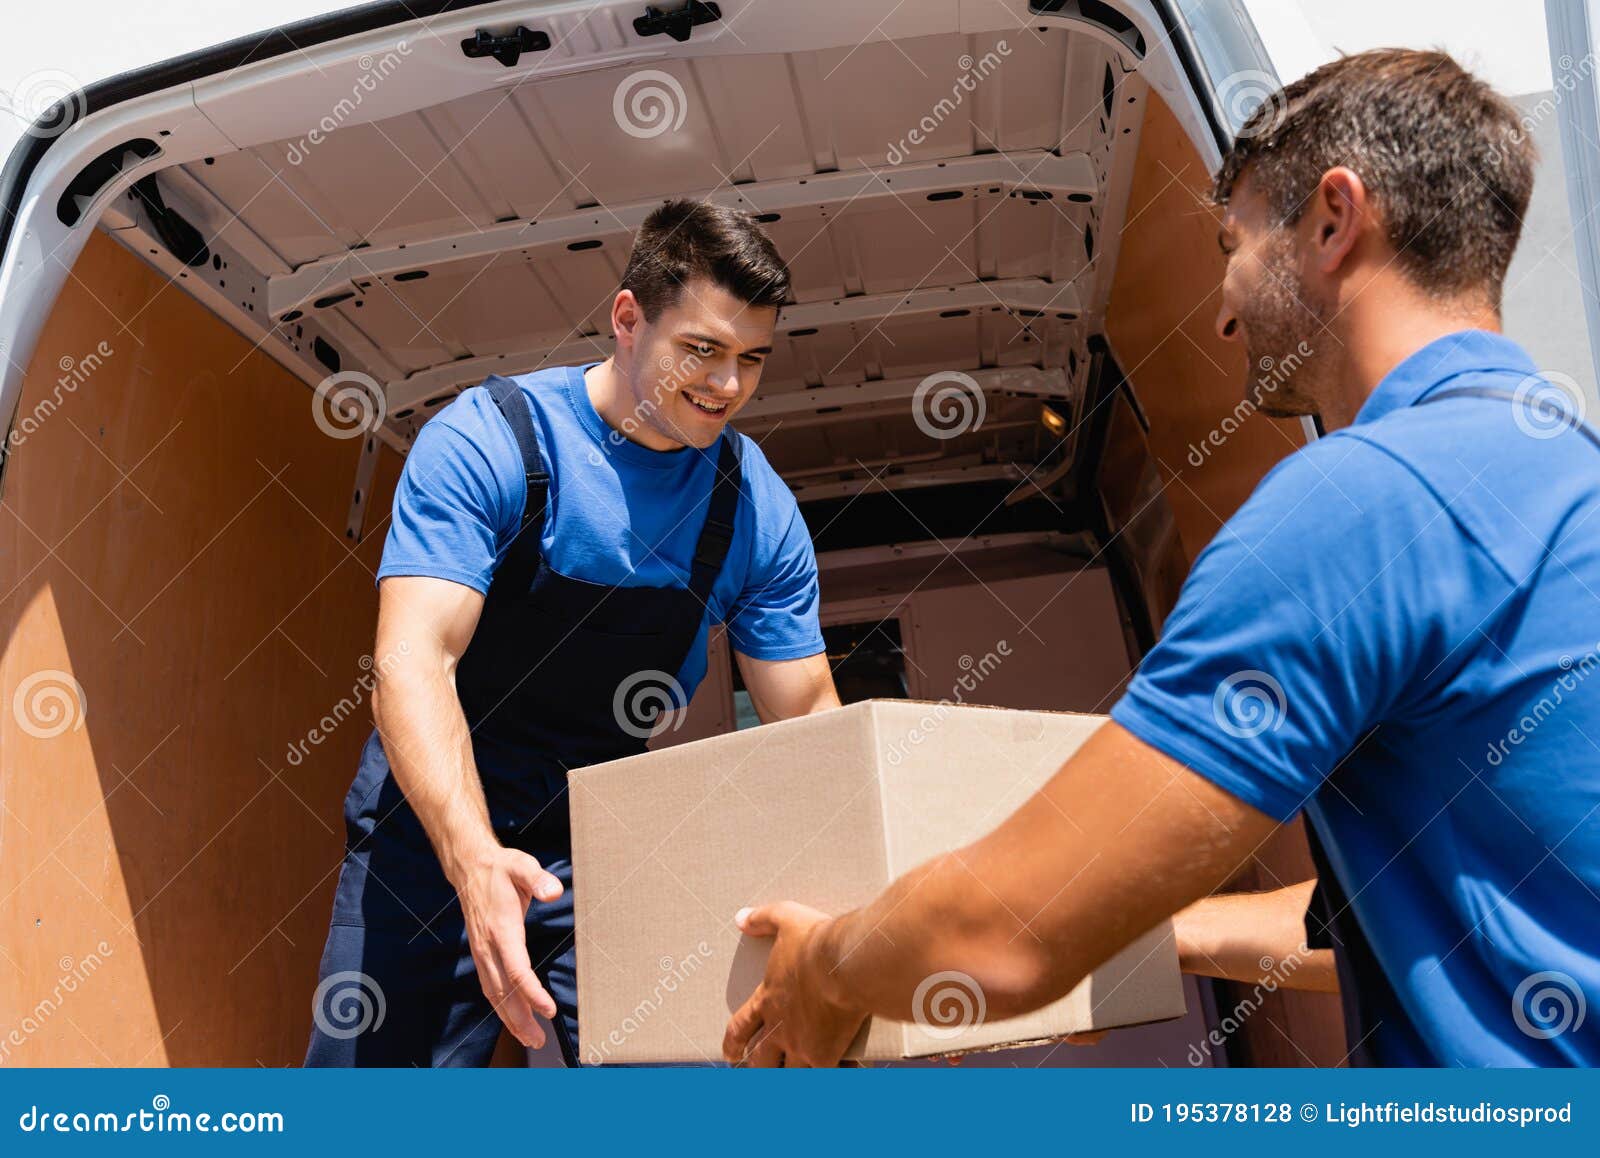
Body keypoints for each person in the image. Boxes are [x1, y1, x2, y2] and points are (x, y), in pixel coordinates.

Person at [723, 48, 1599, 1068]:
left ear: (1331, 219)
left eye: (1233, 244)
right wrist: (1157, 927)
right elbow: (1455, 907)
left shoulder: (1362, 503)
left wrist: (825, 968)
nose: (1223, 309)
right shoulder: (1559, 465)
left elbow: (1001, 936)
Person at [305, 201, 840, 1066]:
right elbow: (413, 663)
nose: (727, 386)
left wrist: (870, 922)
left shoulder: (754, 508)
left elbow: (808, 717)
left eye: (751, 360)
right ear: (628, 320)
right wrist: (476, 862)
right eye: (701, 350)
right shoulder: (490, 441)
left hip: (604, 845)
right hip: (430, 836)